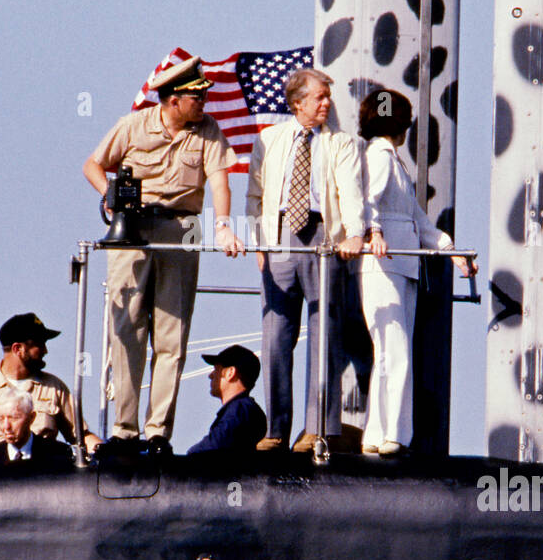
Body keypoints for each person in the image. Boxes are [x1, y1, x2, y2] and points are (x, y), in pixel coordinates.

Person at [83, 55, 244, 454]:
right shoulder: (133, 126)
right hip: (133, 232)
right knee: (127, 332)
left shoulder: (208, 131)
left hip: (182, 229)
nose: (204, 103)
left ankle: (157, 433)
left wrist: (223, 225)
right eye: (196, 98)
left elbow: (220, 182)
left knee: (172, 338)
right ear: (173, 100)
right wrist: (110, 195)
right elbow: (92, 165)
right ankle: (124, 431)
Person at [245, 68, 366, 453]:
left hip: (321, 237)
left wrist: (355, 232)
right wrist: (259, 245)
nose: (327, 104)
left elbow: (350, 192)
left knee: (323, 333)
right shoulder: (269, 139)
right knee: (276, 335)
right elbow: (254, 196)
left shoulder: (341, 144)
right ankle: (276, 428)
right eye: (320, 97)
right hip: (278, 235)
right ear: (298, 103)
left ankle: (317, 428)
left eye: (328, 97)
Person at [357, 88, 475, 456]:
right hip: (385, 261)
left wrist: (449, 250)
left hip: (402, 262)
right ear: (400, 125)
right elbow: (367, 200)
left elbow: (418, 220)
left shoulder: (394, 161)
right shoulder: (380, 156)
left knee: (390, 352)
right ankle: (394, 434)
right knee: (395, 350)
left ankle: (378, 433)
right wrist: (374, 232)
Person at [0, 313, 100, 457]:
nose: (45, 351)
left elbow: (81, 437)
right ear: (18, 349)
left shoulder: (54, 388)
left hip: (42, 477)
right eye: (39, 344)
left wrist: (107, 452)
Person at [187, 345, 268, 455]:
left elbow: (215, 445)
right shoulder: (243, 409)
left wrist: (189, 456)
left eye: (216, 369)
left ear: (230, 373)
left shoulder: (240, 409)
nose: (210, 375)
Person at [0, 391, 72, 469]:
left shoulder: (59, 453)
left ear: (31, 418)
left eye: (14, 418)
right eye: (1, 419)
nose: (6, 426)